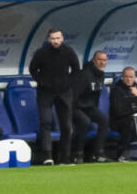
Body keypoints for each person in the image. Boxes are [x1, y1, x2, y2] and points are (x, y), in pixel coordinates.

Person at [27, 28, 80, 166]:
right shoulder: (41, 53)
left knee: (66, 126)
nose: (55, 41)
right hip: (45, 92)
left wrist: (68, 83)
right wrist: (42, 81)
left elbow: (76, 70)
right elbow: (33, 69)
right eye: (53, 38)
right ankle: (47, 156)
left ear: (62, 38)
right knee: (45, 122)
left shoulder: (69, 52)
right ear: (49, 39)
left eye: (58, 38)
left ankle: (65, 158)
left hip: (64, 92)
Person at [71, 49, 110, 163]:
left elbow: (96, 95)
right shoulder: (84, 74)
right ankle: (78, 154)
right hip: (76, 107)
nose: (101, 62)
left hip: (89, 107)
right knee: (85, 122)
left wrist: (95, 110)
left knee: (104, 120)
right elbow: (74, 94)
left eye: (104, 60)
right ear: (94, 60)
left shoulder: (101, 75)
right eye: (99, 59)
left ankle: (98, 153)